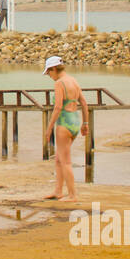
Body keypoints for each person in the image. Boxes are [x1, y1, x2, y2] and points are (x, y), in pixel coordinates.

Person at [43, 55, 87, 202]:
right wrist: (85, 123)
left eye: (49, 72)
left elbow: (58, 107)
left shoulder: (59, 83)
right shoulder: (73, 80)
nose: (49, 75)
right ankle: (58, 191)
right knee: (59, 159)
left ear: (54, 69)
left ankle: (72, 195)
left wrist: (49, 128)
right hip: (75, 120)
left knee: (66, 161)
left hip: (64, 122)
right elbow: (84, 103)